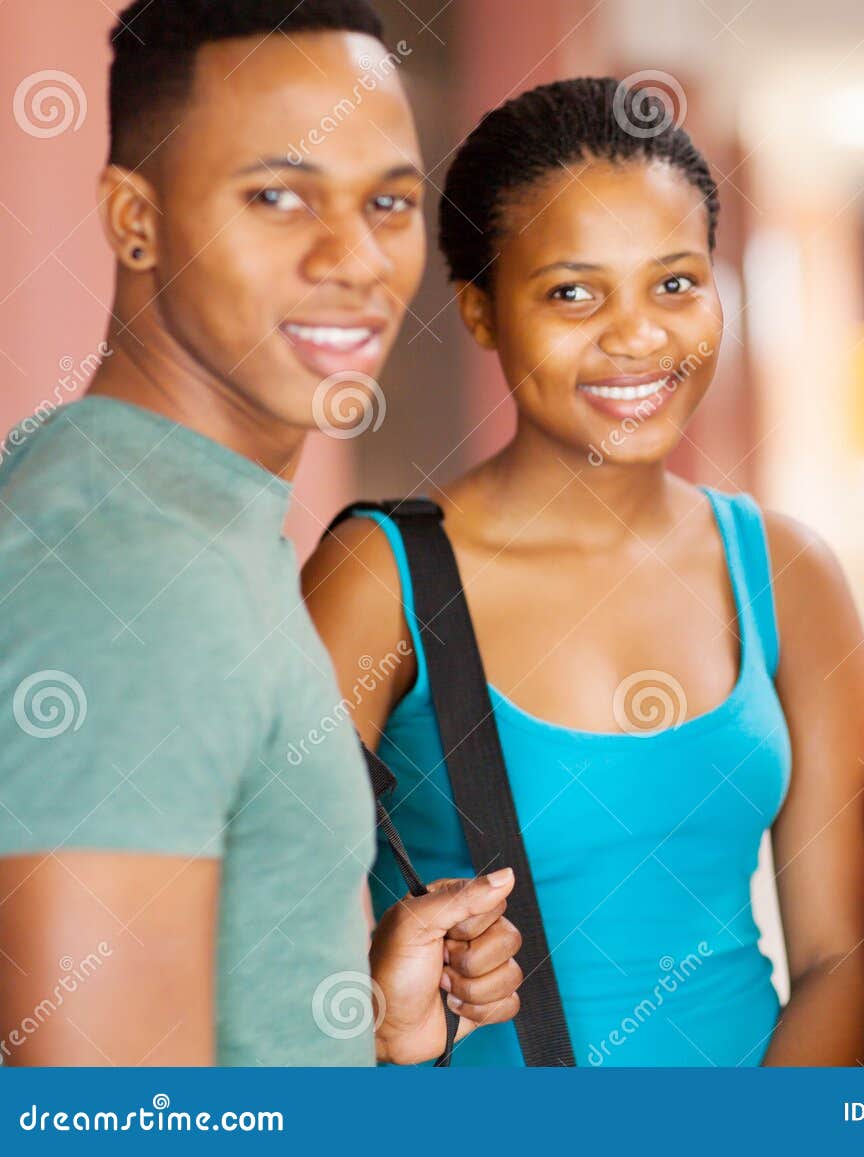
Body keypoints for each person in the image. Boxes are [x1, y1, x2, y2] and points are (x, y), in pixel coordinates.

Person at [301, 78, 864, 1066]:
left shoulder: (785, 572)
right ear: (481, 311)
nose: (638, 335)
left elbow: (835, 953)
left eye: (675, 282)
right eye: (573, 292)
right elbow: (260, 935)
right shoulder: (381, 577)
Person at [0, 0, 522, 1066]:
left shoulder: (168, 509)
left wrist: (354, 1015)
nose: (352, 256)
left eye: (386, 201)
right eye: (277, 195)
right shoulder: (128, 569)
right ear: (134, 219)